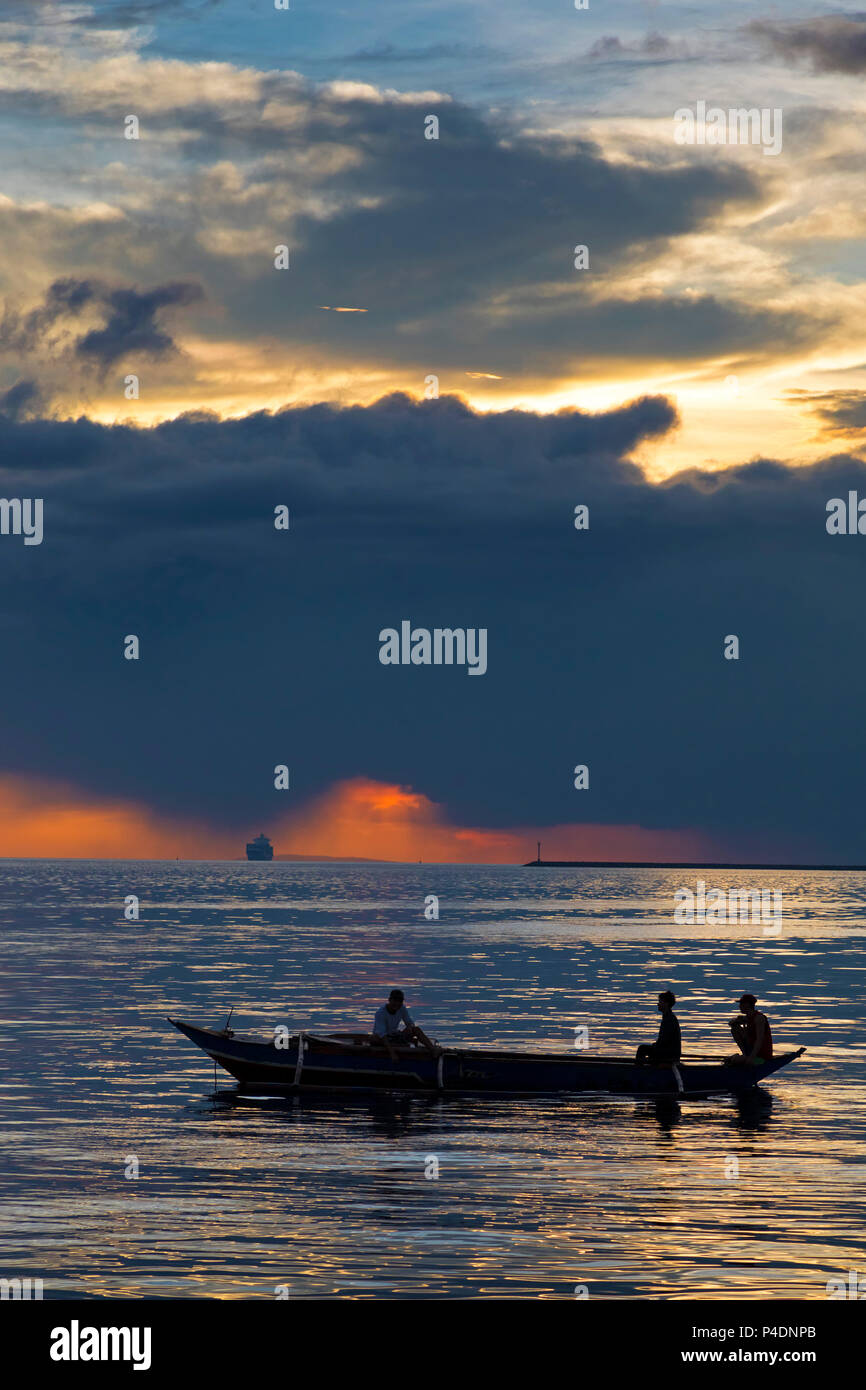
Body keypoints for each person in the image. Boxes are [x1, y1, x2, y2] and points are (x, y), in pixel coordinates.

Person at [372, 989, 441, 1059]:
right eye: (395, 1000)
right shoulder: (380, 1013)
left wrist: (410, 1027)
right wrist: (392, 1053)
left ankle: (433, 1050)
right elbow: (382, 1035)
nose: (397, 1003)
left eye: (400, 1001)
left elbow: (409, 1022)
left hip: (394, 1036)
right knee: (375, 1038)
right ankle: (396, 1046)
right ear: (389, 1000)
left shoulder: (402, 1008)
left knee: (416, 1029)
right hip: (383, 1039)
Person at [635, 991, 681, 1065]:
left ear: (666, 1003)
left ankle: (639, 1070)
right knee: (645, 1049)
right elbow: (663, 1040)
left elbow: (664, 1041)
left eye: (660, 1001)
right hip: (667, 1052)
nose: (658, 1004)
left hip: (668, 1055)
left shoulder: (669, 1019)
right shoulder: (668, 1017)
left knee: (642, 1049)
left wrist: (655, 1046)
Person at [728, 994, 773, 1065]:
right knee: (735, 1028)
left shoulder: (759, 1018)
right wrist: (737, 1020)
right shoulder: (748, 1018)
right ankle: (745, 1055)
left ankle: (746, 1058)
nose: (739, 1006)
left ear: (747, 1005)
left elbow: (759, 1040)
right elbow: (730, 1023)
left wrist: (751, 1057)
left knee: (734, 1060)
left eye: (741, 1004)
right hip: (752, 1054)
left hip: (762, 1059)